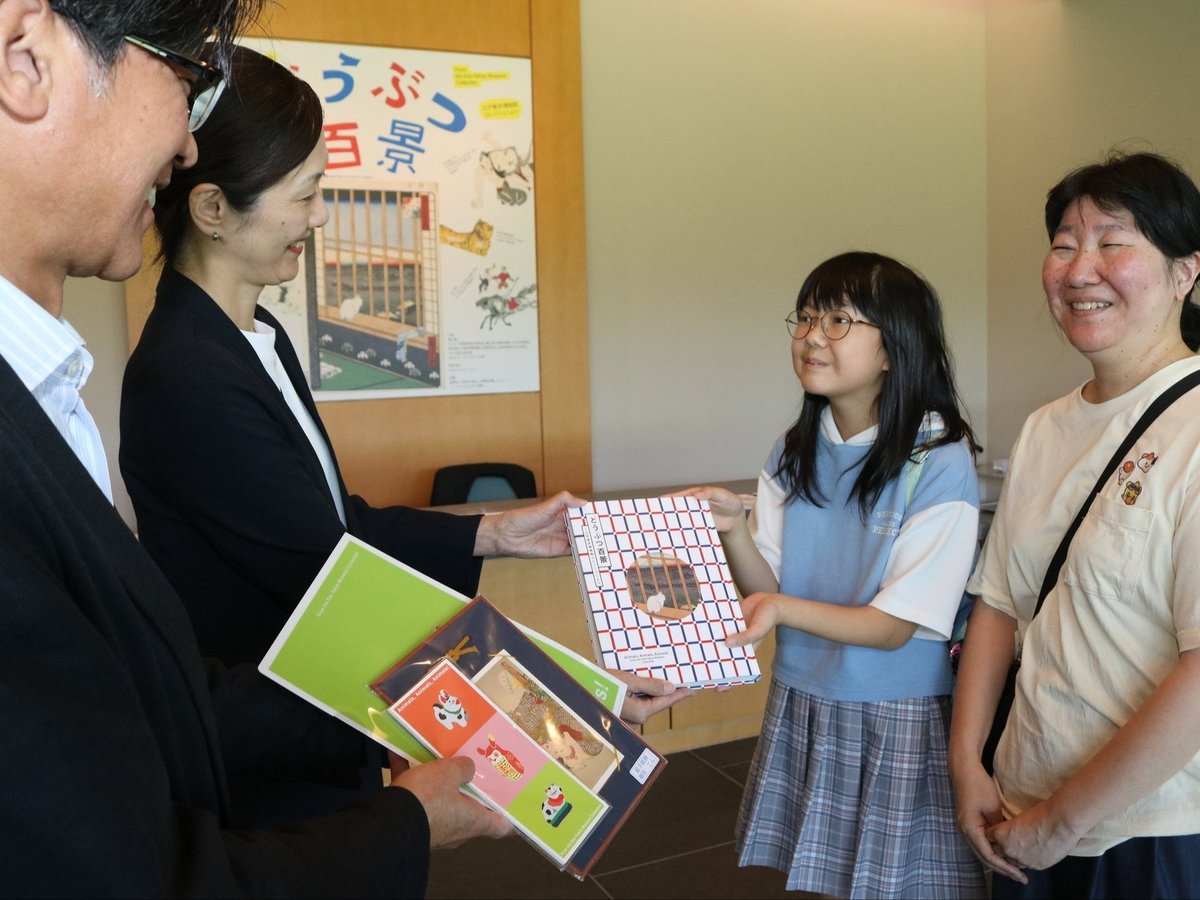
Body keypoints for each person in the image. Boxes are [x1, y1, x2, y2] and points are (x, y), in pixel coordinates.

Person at [0, 1, 516, 894]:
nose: (187, 141)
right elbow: (323, 559)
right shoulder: (182, 371)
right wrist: (494, 714)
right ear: (28, 58)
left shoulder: (214, 347)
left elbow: (155, 682)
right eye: (187, 81)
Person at [118, 44, 686, 823]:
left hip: (314, 723)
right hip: (271, 752)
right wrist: (565, 696)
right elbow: (333, 580)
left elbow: (332, 522)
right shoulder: (188, 374)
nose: (319, 218)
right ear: (213, 208)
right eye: (307, 193)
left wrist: (495, 534)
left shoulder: (252, 335)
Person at [690, 251, 984, 898]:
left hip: (898, 707)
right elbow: (764, 588)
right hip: (805, 692)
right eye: (806, 316)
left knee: (899, 884)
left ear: (893, 349)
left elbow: (891, 629)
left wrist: (781, 611)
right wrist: (735, 530)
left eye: (841, 319)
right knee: (827, 877)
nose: (813, 335)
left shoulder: (938, 460)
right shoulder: (793, 448)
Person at [949, 151, 1200, 898]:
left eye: (1113, 241)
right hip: (1020, 803)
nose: (1079, 268)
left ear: (1187, 272)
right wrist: (968, 765)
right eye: (1064, 243)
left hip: (1151, 832)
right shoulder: (1046, 427)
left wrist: (1063, 821)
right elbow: (998, 603)